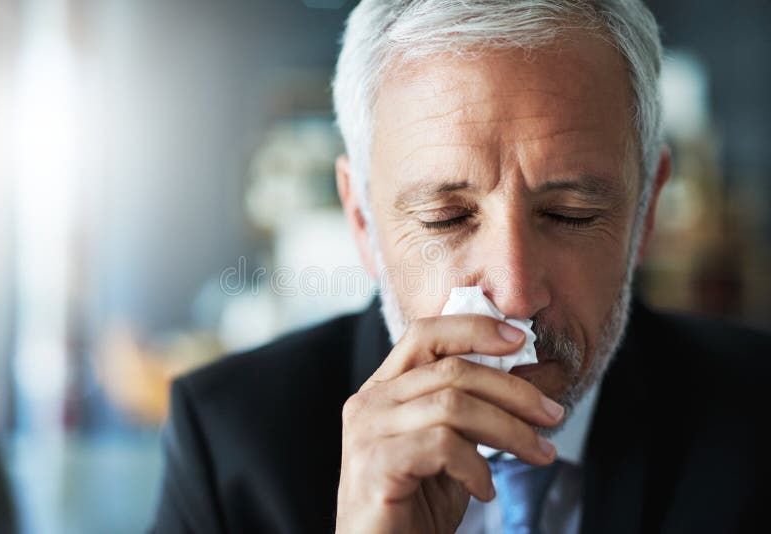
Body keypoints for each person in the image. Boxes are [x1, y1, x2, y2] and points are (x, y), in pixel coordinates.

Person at [152, 1, 771, 532]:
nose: (515, 293)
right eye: (446, 219)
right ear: (362, 221)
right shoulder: (229, 447)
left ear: (646, 213)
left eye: (572, 214)